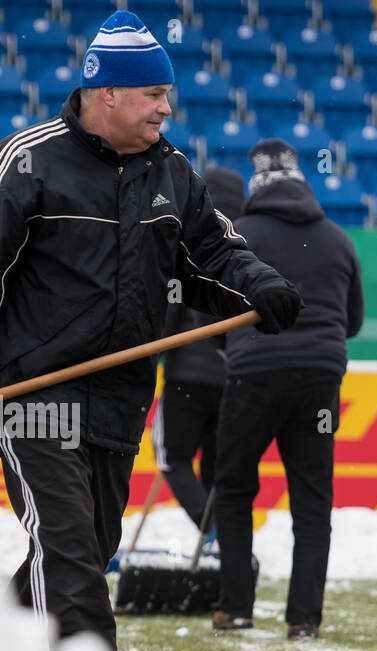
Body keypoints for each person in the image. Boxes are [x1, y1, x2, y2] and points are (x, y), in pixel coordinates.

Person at [0, 11, 301, 651]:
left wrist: (263, 286)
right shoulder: (24, 161)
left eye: (167, 95)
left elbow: (216, 253)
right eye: (153, 95)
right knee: (67, 559)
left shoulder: (173, 175)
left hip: (118, 402)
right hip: (33, 397)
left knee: (87, 555)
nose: (166, 109)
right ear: (107, 92)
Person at [212, 139, 364, 639]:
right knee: (313, 501)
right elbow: (354, 323)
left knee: (233, 488)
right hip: (319, 380)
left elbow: (211, 309)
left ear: (255, 184)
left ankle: (235, 607)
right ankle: (304, 619)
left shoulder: (242, 235)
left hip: (254, 373)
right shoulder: (339, 240)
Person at [152, 166, 246, 532]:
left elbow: (169, 315)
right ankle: (223, 544)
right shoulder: (247, 246)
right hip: (232, 379)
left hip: (185, 377)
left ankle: (216, 530)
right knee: (216, 464)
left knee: (173, 459)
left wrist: (148, 362)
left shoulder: (188, 239)